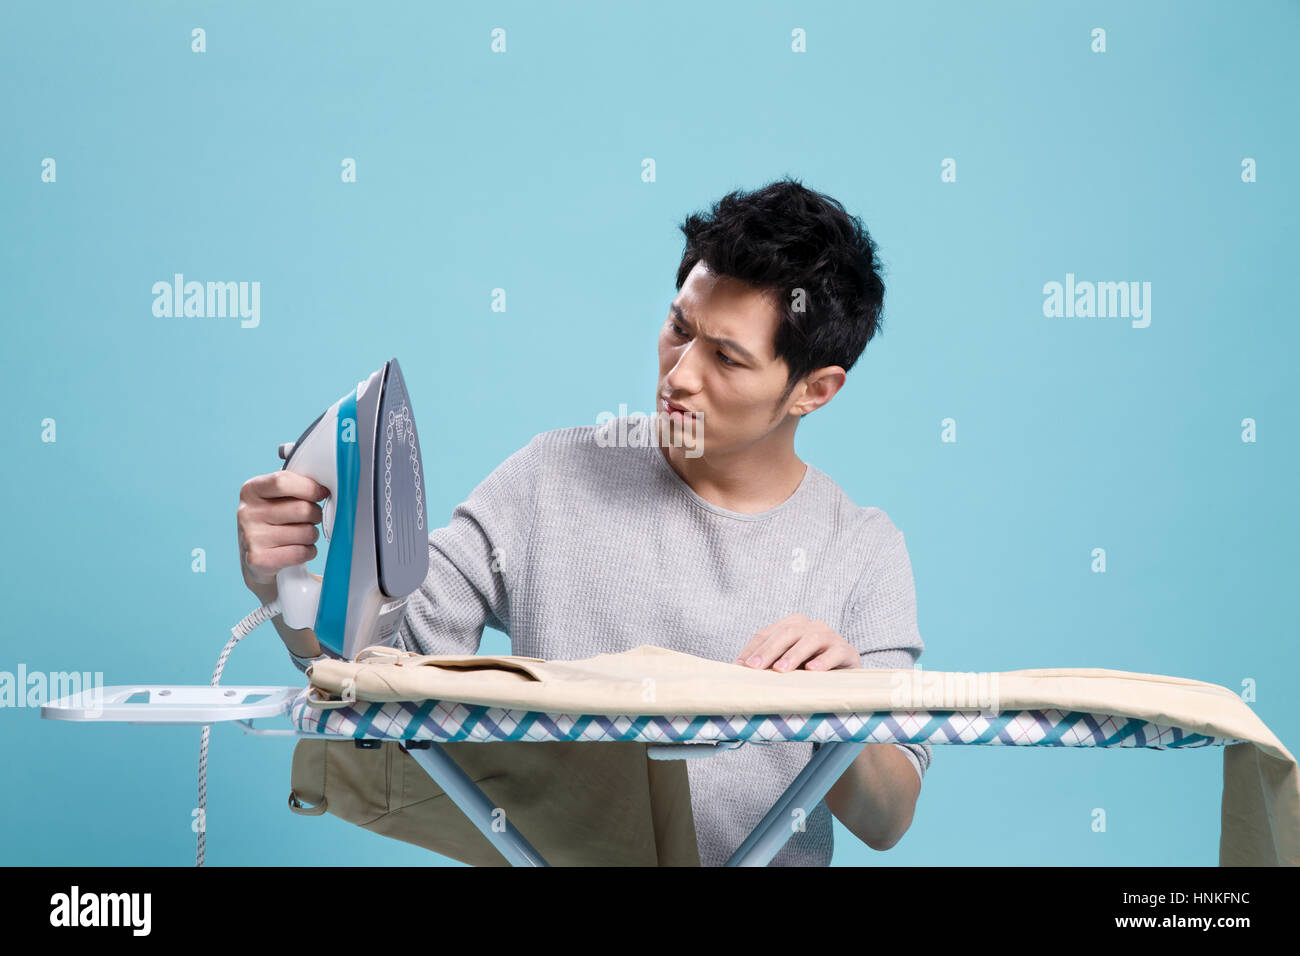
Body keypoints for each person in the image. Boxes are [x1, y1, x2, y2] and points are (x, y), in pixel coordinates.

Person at [236, 177, 931, 866]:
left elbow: (888, 818)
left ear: (815, 389)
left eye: (726, 358)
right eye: (678, 329)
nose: (680, 376)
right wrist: (284, 586)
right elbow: (372, 663)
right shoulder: (551, 478)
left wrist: (845, 712)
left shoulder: (861, 550)